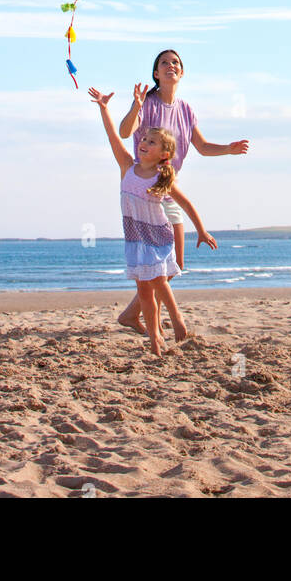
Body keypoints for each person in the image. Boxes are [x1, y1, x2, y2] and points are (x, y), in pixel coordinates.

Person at [115, 49, 248, 334]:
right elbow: (125, 133)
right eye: (164, 62)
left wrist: (228, 149)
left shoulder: (186, 109)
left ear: (182, 72)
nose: (170, 65)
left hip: (168, 186)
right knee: (161, 265)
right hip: (146, 188)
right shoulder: (147, 103)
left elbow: (201, 146)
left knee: (174, 263)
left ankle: (132, 315)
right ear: (156, 73)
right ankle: (159, 321)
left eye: (175, 62)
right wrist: (136, 106)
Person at [89, 88, 217, 356]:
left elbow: (186, 204)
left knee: (160, 281)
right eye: (144, 139)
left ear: (163, 153)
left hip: (158, 237)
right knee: (144, 291)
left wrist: (201, 231)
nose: (143, 143)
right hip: (135, 238)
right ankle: (154, 338)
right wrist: (104, 109)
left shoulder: (162, 177)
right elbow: (114, 137)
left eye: (151, 142)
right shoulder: (127, 165)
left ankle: (178, 319)